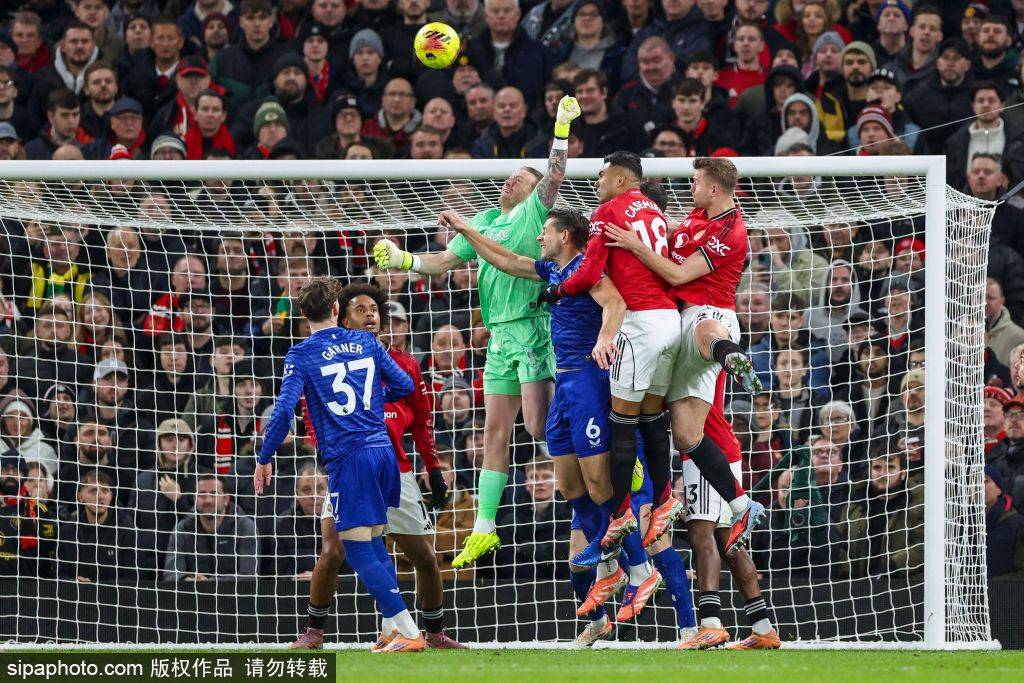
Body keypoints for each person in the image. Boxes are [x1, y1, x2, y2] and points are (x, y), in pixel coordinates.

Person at [371, 95, 581, 569]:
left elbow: (554, 176)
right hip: (499, 337)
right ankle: (484, 528)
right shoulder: (486, 220)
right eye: (512, 175)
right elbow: (443, 261)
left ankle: (606, 458)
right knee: (494, 431)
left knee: (537, 426)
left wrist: (560, 132)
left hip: (532, 329)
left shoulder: (534, 216)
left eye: (521, 178)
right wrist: (402, 258)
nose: (512, 179)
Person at [442, 203, 670, 635]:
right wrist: (466, 230)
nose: (539, 237)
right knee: (569, 485)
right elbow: (506, 260)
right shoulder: (552, 271)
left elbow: (615, 302)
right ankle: (612, 567)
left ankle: (641, 571)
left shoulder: (586, 268)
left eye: (545, 231)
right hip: (563, 382)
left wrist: (605, 339)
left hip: (588, 382)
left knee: (599, 485)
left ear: (565, 236)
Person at [555, 155, 765, 555]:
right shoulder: (696, 216)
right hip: (674, 322)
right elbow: (664, 231)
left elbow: (678, 274)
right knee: (683, 434)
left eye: (696, 182)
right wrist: (644, 218)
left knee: (625, 418)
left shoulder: (732, 231)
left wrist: (628, 245)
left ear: (714, 189)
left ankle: (621, 517)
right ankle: (740, 504)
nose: (691, 187)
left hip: (698, 314)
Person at [290, 283, 465, 650]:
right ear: (341, 317)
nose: (371, 315)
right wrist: (328, 449)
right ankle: (314, 632)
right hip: (349, 466)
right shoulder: (325, 358)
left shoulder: (405, 363)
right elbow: (311, 414)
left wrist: (433, 467)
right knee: (333, 550)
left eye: (375, 310)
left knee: (424, 555)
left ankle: (432, 633)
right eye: (360, 309)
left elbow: (422, 421)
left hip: (395, 469)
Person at [255, 278, 421, 652]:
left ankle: (411, 632)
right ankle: (392, 630)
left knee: (356, 549)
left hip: (349, 458)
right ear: (336, 310)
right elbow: (404, 385)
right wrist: (373, 396)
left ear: (303, 314)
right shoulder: (366, 342)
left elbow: (283, 413)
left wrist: (264, 458)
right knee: (375, 541)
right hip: (383, 451)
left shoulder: (301, 354)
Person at [677, 374, 780, 651]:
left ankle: (710, 623)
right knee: (727, 540)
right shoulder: (710, 355)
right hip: (723, 447)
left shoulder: (693, 354)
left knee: (701, 534)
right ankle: (763, 629)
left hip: (703, 448)